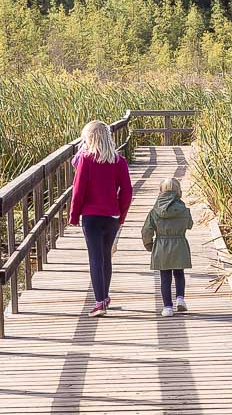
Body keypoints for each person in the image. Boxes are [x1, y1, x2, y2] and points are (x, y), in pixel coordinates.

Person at [68, 119, 133, 315]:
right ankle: (104, 297)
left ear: (90, 138)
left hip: (91, 216)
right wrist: (121, 214)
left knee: (95, 258)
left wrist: (74, 215)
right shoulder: (119, 161)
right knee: (106, 257)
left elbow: (78, 190)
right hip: (111, 216)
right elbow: (128, 191)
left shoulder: (86, 161)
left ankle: (99, 302)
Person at [141, 177, 194, 316]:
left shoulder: (154, 211)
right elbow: (190, 224)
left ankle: (168, 307)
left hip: (161, 246)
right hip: (180, 244)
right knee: (179, 273)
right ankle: (180, 298)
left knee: (165, 278)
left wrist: (149, 245)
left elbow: (146, 231)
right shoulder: (184, 210)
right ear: (178, 192)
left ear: (161, 191)